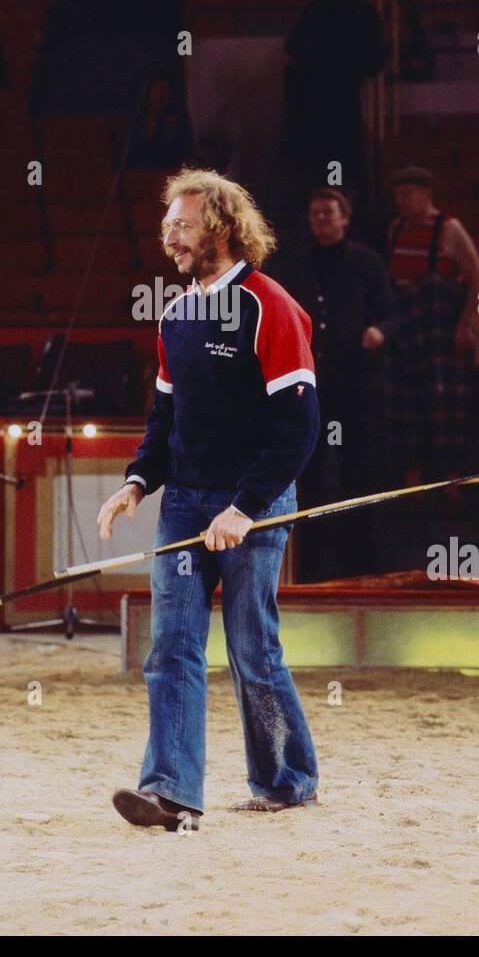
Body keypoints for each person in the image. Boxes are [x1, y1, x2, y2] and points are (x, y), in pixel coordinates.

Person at [97, 168, 320, 829]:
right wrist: (139, 480)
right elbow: (165, 419)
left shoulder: (269, 305)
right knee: (173, 645)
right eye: (166, 227)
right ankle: (170, 791)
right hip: (186, 506)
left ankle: (286, 777)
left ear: (220, 224)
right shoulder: (175, 314)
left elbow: (299, 428)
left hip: (253, 503)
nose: (171, 238)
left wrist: (245, 507)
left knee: (254, 652)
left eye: (183, 225)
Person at [270, 188, 396, 580]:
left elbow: (392, 313)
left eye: (328, 212)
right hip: (309, 385)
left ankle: (362, 564)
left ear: (345, 217)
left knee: (358, 469)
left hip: (356, 383)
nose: (321, 219)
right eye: (315, 213)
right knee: (308, 469)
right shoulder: (295, 263)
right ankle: (307, 565)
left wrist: (378, 331)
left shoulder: (367, 262)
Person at [384, 166, 479, 484]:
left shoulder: (449, 228)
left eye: (407, 195)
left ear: (425, 194)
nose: (400, 202)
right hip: (406, 327)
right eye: (397, 196)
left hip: (438, 330)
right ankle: (412, 480)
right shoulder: (396, 227)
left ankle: (451, 483)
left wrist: (469, 325)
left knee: (444, 403)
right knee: (405, 404)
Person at [282, 0, 386, 210]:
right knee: (317, 156)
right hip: (315, 98)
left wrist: (354, 69)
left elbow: (378, 55)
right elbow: (295, 46)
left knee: (347, 156)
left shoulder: (367, 14)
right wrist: (323, 64)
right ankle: (317, 207)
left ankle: (344, 210)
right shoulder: (320, 9)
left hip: (347, 97)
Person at [125, 74, 193, 170]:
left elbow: (183, 153)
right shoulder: (137, 119)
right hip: (140, 174)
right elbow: (132, 154)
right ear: (149, 92)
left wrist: (171, 133)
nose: (161, 95)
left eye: (166, 90)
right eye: (158, 89)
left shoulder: (179, 121)